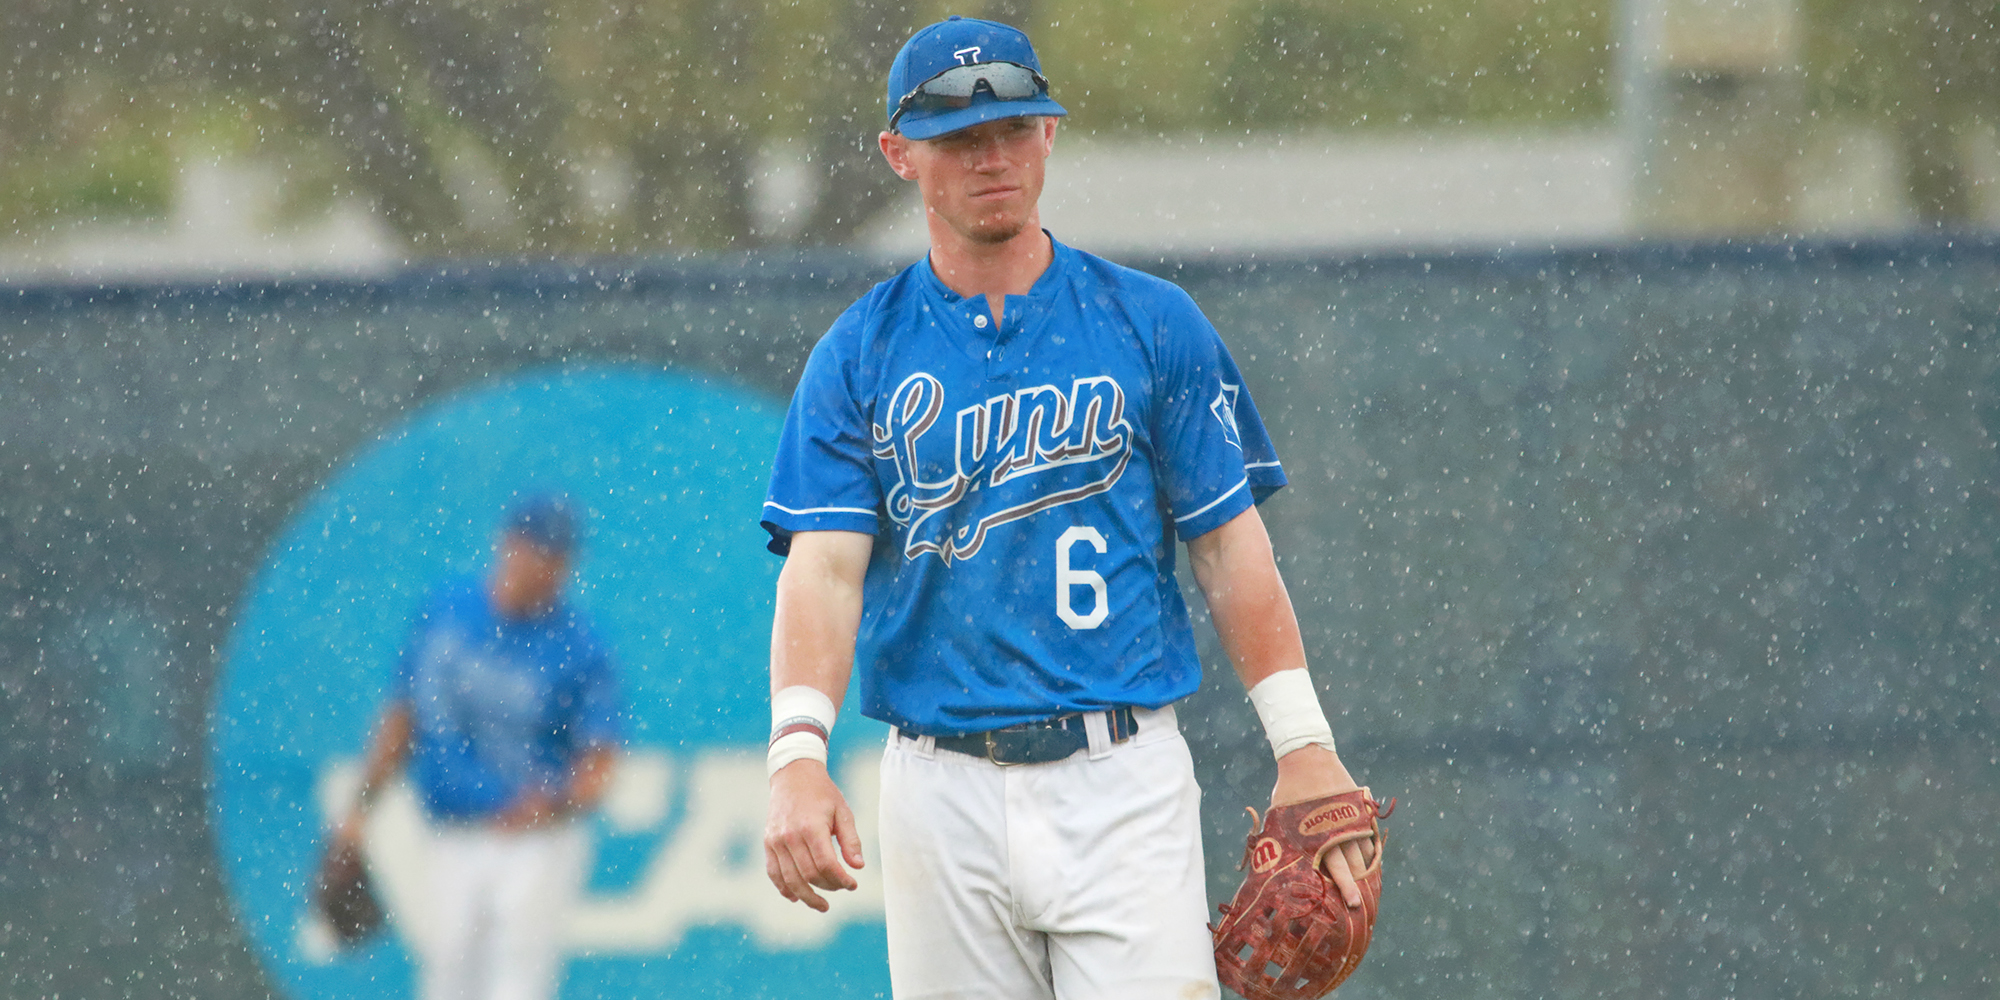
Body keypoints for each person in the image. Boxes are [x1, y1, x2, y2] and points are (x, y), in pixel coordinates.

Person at [757, 15, 1376, 1000]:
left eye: (1011, 129)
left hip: (1120, 776)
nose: (989, 157)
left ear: (1048, 133)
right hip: (937, 780)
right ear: (898, 155)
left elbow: (1228, 549)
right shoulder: (858, 352)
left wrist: (1304, 745)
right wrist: (797, 753)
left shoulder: (1148, 321)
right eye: (959, 140)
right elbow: (823, 570)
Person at [337, 494, 620, 1000]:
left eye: (559, 559)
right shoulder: (447, 611)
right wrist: (359, 812)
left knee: (517, 987)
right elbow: (402, 719)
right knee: (447, 984)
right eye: (538, 554)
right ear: (508, 546)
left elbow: (600, 766)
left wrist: (555, 803)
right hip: (453, 833)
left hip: (534, 841)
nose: (548, 570)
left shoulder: (579, 643)